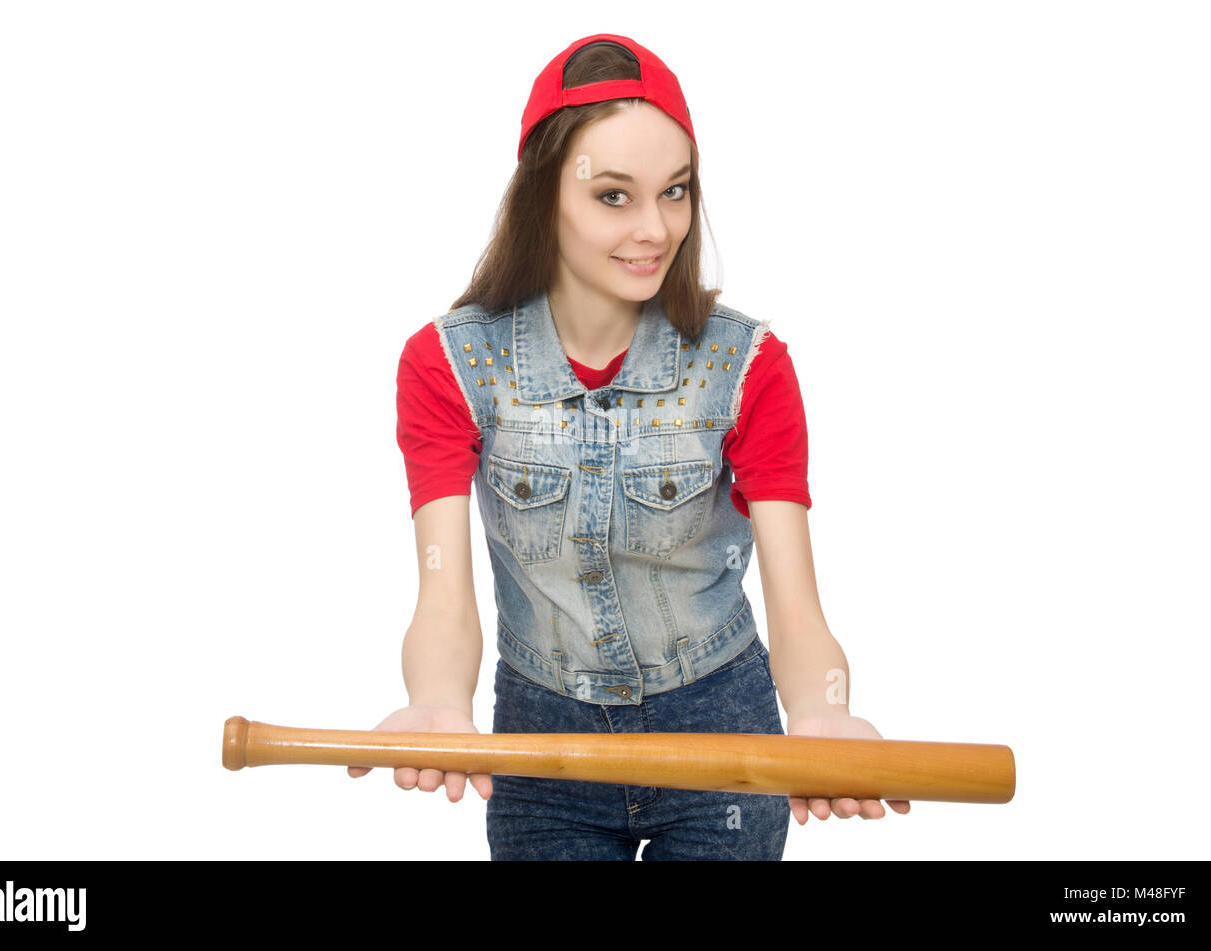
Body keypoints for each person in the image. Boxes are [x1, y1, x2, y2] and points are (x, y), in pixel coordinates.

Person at [348, 33, 910, 860]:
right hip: (545, 754)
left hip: (724, 744)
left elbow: (797, 610)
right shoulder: (449, 365)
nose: (656, 229)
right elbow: (443, 597)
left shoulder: (747, 366)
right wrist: (436, 698)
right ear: (544, 198)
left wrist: (822, 711)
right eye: (614, 196)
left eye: (675, 192)